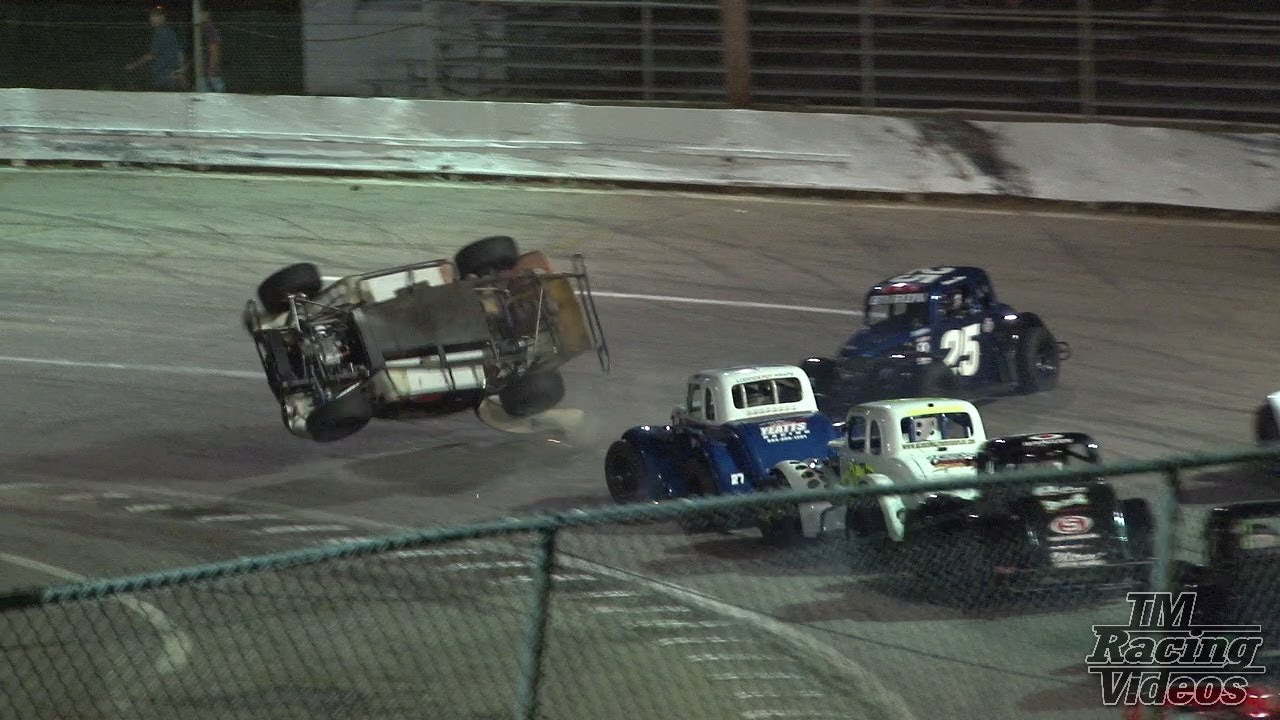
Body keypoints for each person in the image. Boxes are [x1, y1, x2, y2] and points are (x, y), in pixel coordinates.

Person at [125, 6, 185, 91]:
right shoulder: (170, 32)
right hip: (170, 76)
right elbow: (180, 53)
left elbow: (151, 55)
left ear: (162, 18)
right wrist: (181, 70)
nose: (152, 19)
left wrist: (133, 65)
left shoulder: (161, 34)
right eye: (151, 17)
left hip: (163, 76)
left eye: (155, 17)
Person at [197, 8, 225, 92]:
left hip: (209, 72)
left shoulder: (207, 28)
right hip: (207, 71)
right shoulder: (204, 28)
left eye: (200, 13)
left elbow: (214, 48)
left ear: (206, 14)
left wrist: (211, 69)